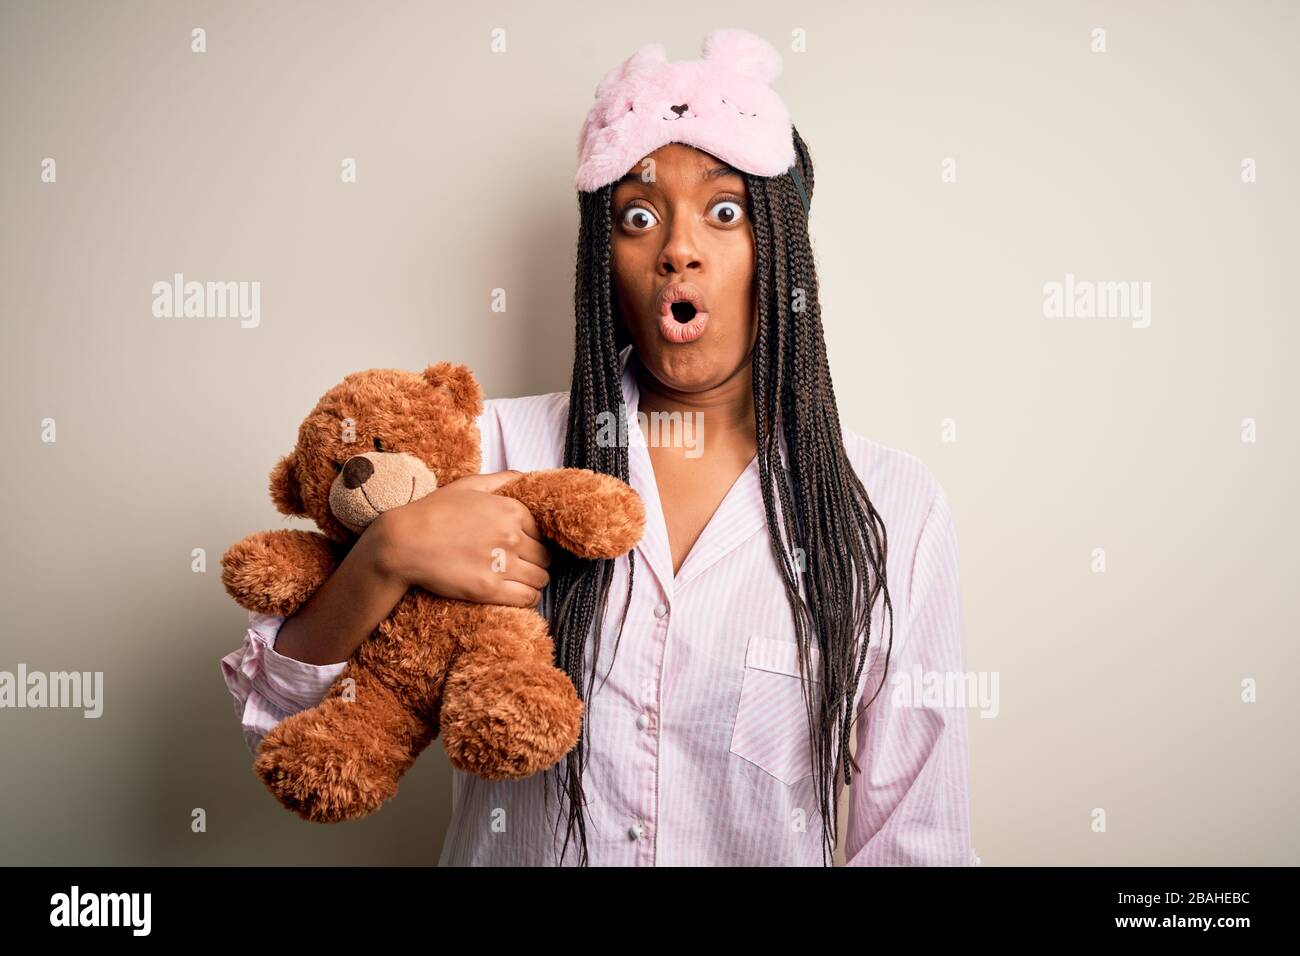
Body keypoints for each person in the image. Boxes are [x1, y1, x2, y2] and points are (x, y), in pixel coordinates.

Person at [220, 28, 978, 867]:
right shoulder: (490, 449)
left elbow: (916, 840)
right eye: (638, 217)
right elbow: (285, 723)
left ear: (784, 253)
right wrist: (386, 556)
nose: (677, 249)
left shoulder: (893, 506)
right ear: (602, 262)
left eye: (724, 213)